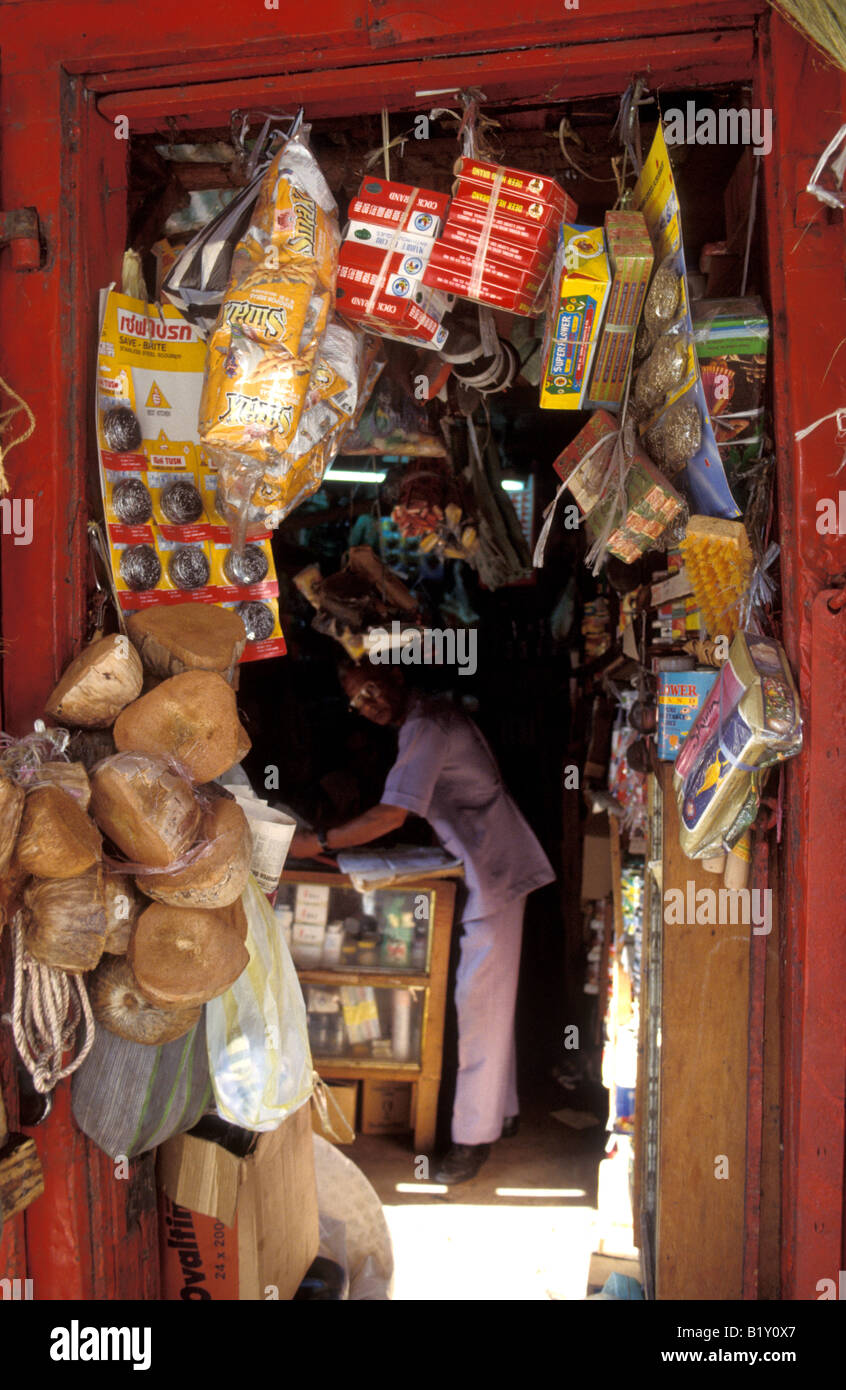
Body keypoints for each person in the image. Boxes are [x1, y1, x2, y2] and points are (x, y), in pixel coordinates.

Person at [290, 664, 555, 1184]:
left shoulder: (427, 726)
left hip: (494, 866)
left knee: (477, 1003)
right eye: (356, 702)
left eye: (370, 690)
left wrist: (318, 842)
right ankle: (503, 1113)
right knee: (490, 998)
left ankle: (471, 1142)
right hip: (484, 861)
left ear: (391, 674)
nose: (367, 706)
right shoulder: (425, 720)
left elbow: (391, 813)